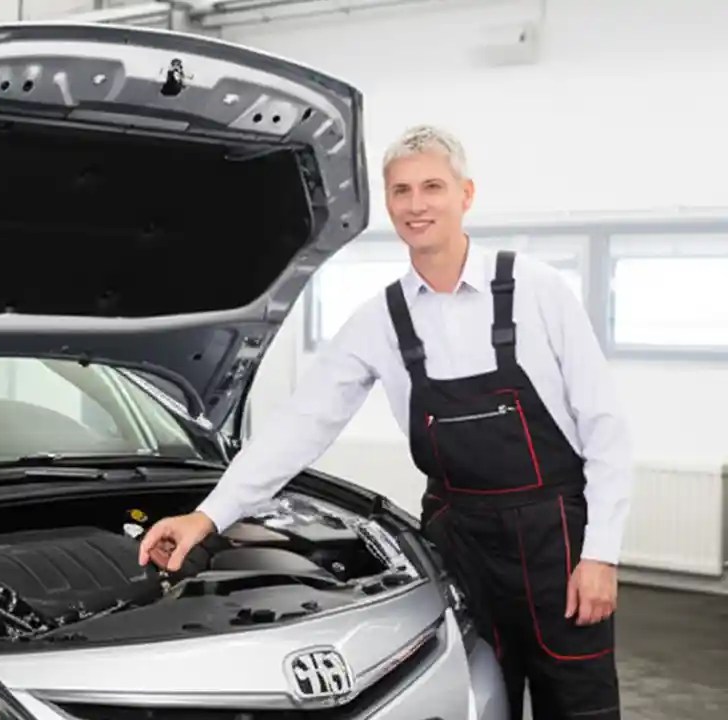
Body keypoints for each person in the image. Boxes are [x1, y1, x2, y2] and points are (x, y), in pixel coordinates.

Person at [137, 125, 632, 719]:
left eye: (432, 187)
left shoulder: (537, 290)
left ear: (466, 194)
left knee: (580, 709)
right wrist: (207, 515)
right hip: (462, 546)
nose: (416, 204)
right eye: (401, 191)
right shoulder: (381, 320)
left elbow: (605, 426)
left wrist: (601, 555)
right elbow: (301, 425)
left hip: (557, 545)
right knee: (474, 700)